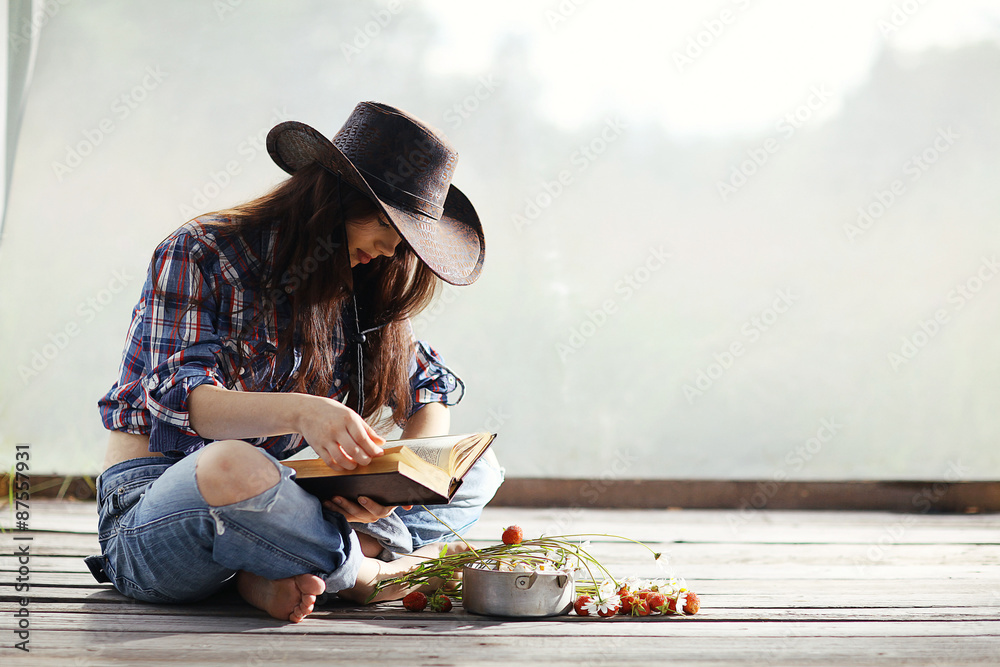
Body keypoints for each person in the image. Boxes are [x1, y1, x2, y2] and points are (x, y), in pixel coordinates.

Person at [85, 101, 503, 622]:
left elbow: (428, 390)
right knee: (231, 464)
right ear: (328, 198)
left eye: (406, 236)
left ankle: (276, 566)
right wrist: (302, 412)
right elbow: (189, 405)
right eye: (383, 221)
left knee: (474, 467)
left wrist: (402, 482)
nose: (390, 247)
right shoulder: (200, 251)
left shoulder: (363, 276)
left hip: (285, 494)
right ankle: (367, 574)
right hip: (160, 506)